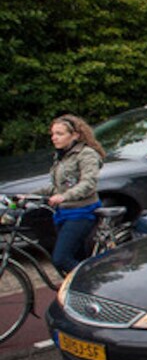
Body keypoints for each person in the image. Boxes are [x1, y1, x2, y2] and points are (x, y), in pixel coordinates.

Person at [38, 114, 104, 273]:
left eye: (59, 134)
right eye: (53, 134)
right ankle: (84, 284)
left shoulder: (86, 154)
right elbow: (58, 187)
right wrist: (28, 195)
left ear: (75, 135)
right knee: (77, 258)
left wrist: (64, 197)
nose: (54, 138)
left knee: (61, 259)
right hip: (63, 213)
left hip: (82, 212)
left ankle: (91, 281)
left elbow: (88, 183)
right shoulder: (62, 156)